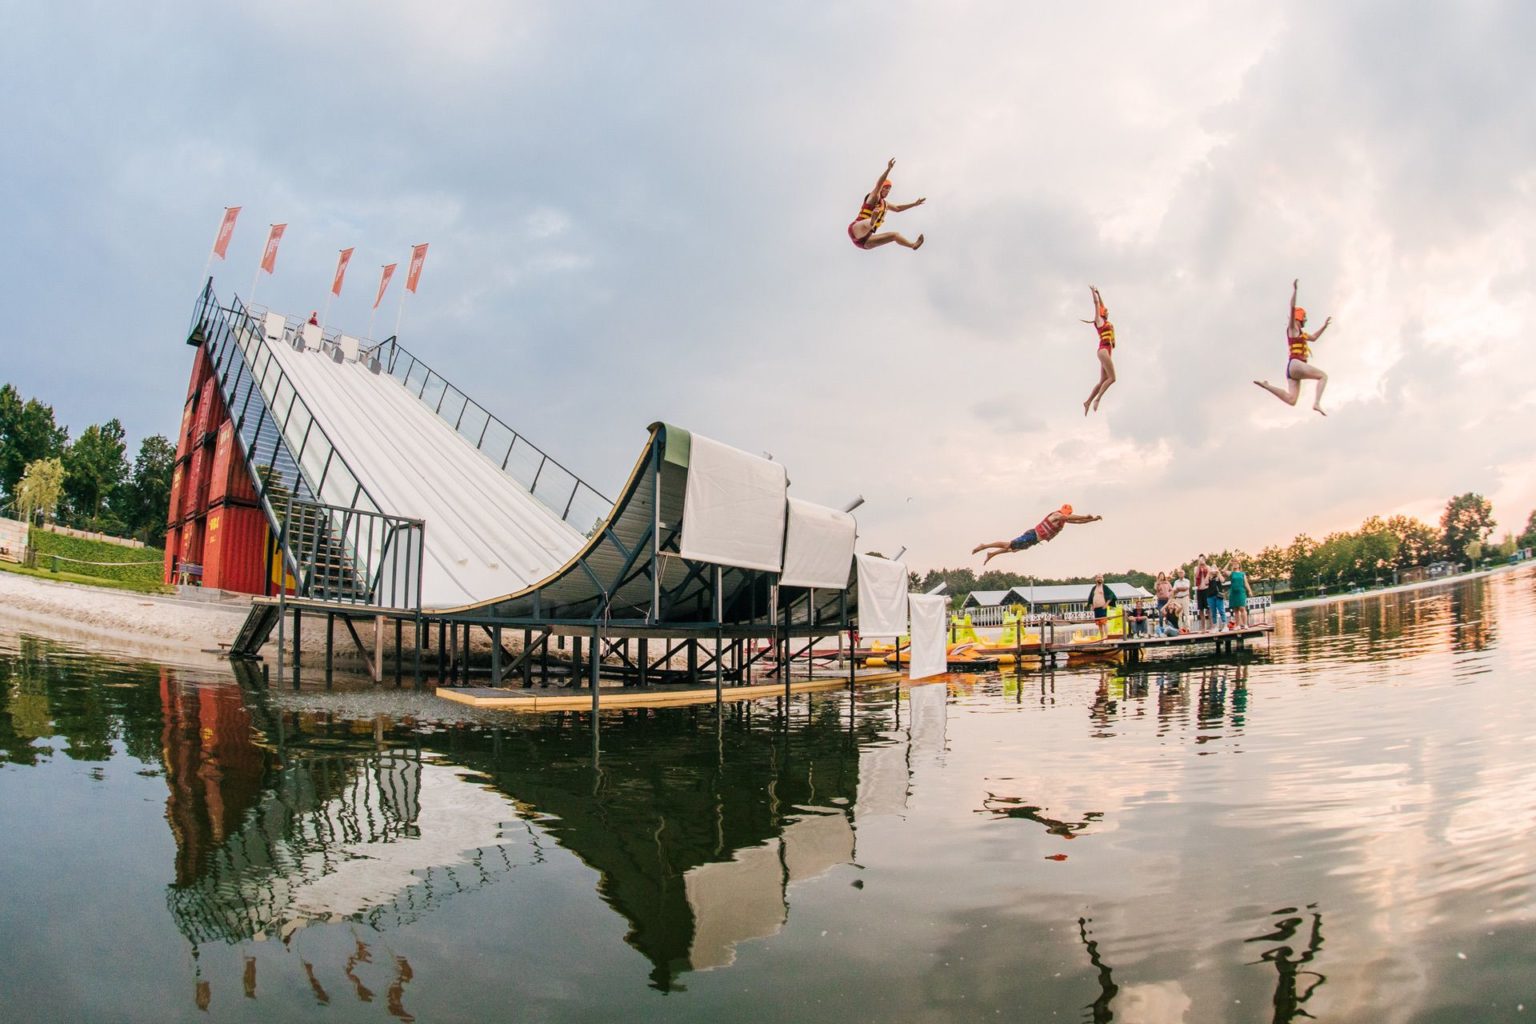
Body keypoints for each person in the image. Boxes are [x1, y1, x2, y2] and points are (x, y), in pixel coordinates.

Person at [1255, 278, 1332, 415]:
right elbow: (1291, 308)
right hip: (1296, 364)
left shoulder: (1301, 333)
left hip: (1292, 370)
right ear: (1300, 318)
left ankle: (1267, 386)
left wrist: (1324, 326)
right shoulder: (1292, 328)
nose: (1304, 322)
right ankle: (1317, 403)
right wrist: (1295, 291)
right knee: (1323, 376)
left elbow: (1314, 338)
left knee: (1292, 400)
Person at [972, 505, 1104, 564]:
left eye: (1067, 513)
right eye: (1065, 513)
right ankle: (985, 546)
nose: (1065, 515)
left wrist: (1093, 519)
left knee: (1014, 549)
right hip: (1032, 535)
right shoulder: (1056, 515)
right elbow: (1075, 518)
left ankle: (992, 554)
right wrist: (1085, 515)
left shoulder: (1064, 520)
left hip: (1034, 541)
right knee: (1009, 544)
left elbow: (1078, 522)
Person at [848, 158, 926, 252]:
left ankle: (912, 245)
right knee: (869, 222)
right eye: (886, 188)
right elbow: (879, 184)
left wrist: (914, 204)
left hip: (866, 241)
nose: (888, 191)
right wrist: (888, 169)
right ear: (882, 188)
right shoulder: (874, 197)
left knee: (895, 235)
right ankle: (872, 221)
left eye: (889, 189)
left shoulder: (885, 204)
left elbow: (897, 208)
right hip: (856, 229)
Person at [1081, 286, 1117, 415]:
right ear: (1102, 313)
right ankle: (1097, 399)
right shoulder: (1099, 320)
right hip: (1103, 351)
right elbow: (1097, 305)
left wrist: (1099, 293)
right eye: (1105, 311)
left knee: (1103, 381)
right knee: (1112, 378)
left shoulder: (1105, 320)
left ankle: (1088, 401)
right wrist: (1093, 294)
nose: (1107, 311)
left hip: (1106, 351)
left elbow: (1102, 304)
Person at [1088, 574, 1115, 639]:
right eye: (1098, 577)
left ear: (1103, 579)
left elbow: (1111, 595)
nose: (1100, 578)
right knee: (1099, 624)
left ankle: (1107, 637)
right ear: (1096, 579)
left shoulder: (1105, 587)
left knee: (1104, 622)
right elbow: (1090, 598)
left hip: (1102, 608)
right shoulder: (1093, 588)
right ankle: (1102, 638)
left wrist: (1106, 604)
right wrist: (1091, 605)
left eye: (1101, 577)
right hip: (1096, 609)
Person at [1227, 560, 1250, 628]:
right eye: (1234, 564)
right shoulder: (1231, 573)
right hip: (1233, 592)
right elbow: (1223, 571)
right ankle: (1237, 625)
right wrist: (1228, 563)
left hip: (1241, 592)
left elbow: (1246, 583)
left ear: (1239, 565)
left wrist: (1249, 590)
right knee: (1236, 609)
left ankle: (1245, 624)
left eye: (1236, 564)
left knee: (1242, 608)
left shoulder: (1242, 574)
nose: (1235, 565)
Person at [1207, 566, 1228, 631]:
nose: (1213, 570)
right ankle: (1215, 626)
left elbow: (1223, 580)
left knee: (1221, 610)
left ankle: (1225, 626)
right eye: (1212, 568)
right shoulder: (1209, 577)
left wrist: (1218, 573)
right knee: (1213, 612)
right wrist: (1209, 573)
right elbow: (1205, 582)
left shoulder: (1218, 576)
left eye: (1215, 568)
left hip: (1218, 595)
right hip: (1210, 596)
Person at [1193, 555, 1212, 631]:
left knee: (1209, 609)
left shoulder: (1208, 567)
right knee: (1201, 610)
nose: (1201, 560)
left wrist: (1204, 565)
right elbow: (1196, 575)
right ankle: (1203, 628)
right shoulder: (1196, 568)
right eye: (1200, 559)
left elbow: (1209, 575)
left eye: (1202, 559)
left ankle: (1211, 626)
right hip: (1199, 589)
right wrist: (1199, 565)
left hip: (1206, 589)